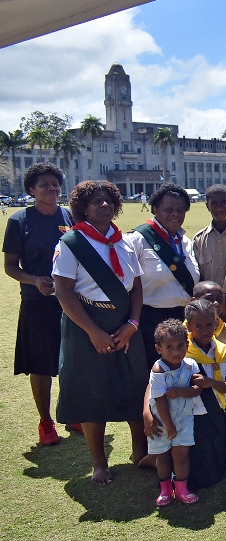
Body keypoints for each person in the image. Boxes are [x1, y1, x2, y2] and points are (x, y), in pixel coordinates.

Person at [52, 180, 147, 484]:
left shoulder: (125, 241)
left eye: (108, 200)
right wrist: (93, 331)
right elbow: (63, 292)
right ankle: (99, 463)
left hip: (125, 324)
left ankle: (140, 451)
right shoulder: (71, 243)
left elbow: (136, 287)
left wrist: (133, 324)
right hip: (86, 325)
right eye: (96, 201)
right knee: (92, 393)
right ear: (83, 208)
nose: (104, 205)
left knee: (134, 386)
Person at [3, 162, 74, 445]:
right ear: (31, 190)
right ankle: (46, 422)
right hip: (37, 302)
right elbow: (10, 266)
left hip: (71, 300)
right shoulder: (19, 221)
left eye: (55, 184)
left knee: (72, 359)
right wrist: (34, 280)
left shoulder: (69, 216)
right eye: (44, 185)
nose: (51, 189)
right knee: (41, 365)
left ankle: (73, 413)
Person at [127, 183, 200, 366]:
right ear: (155, 209)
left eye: (180, 210)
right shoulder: (138, 239)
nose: (175, 214)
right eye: (169, 209)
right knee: (154, 371)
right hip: (150, 320)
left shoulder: (185, 242)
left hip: (183, 320)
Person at [180, 298, 226, 489]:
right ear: (188, 326)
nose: (205, 330)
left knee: (217, 463)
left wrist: (211, 383)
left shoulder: (222, 350)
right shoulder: (182, 352)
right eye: (198, 326)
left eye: (209, 324)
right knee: (198, 466)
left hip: (219, 412)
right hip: (192, 415)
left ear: (216, 323)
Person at [145, 319, 202, 506]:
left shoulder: (191, 365)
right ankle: (165, 490)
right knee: (162, 455)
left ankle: (182, 489)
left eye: (180, 346)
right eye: (169, 347)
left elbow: (198, 388)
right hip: (162, 421)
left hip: (184, 418)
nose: (176, 352)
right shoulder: (158, 369)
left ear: (187, 345)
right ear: (158, 348)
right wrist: (168, 425)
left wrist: (182, 392)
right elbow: (159, 399)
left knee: (181, 455)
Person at [192, 280, 226, 346]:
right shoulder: (184, 331)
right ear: (194, 301)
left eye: (219, 299)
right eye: (209, 299)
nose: (216, 303)